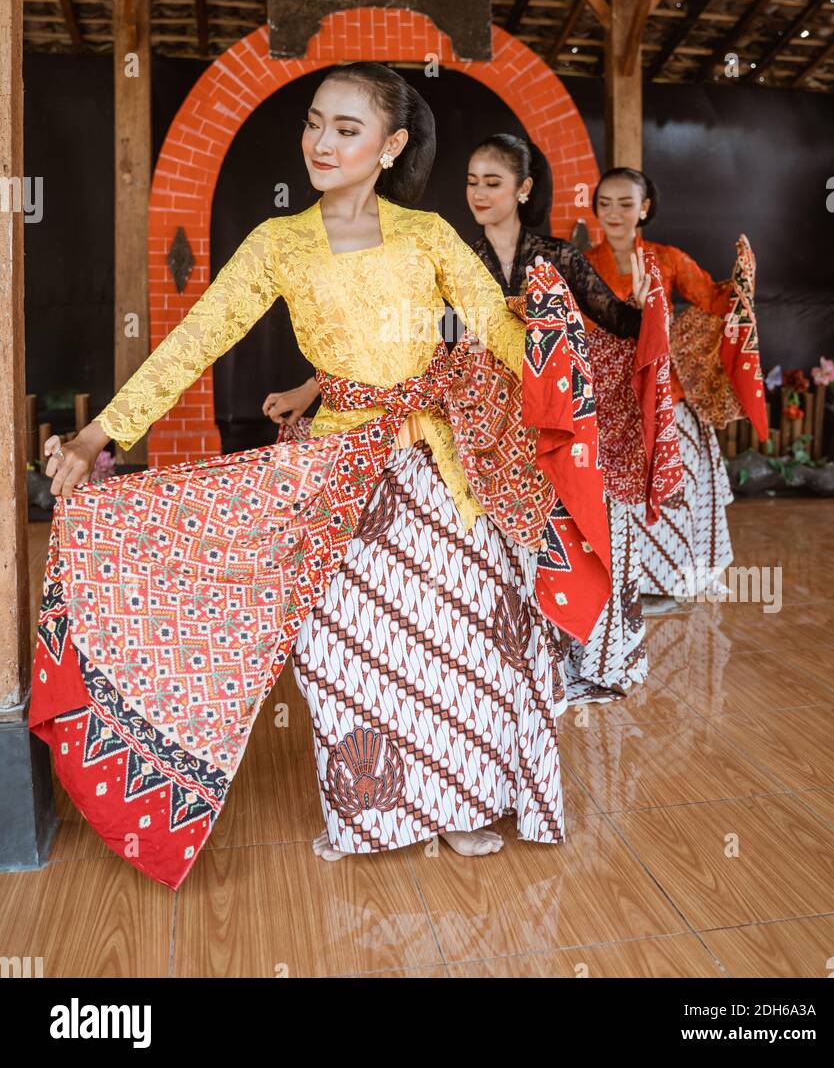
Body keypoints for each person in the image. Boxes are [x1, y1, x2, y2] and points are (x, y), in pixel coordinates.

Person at [33, 64, 599, 889]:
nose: (322, 142)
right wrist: (96, 436)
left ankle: (466, 802)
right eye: (314, 123)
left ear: (391, 146)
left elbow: (505, 339)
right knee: (343, 648)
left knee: (455, 639)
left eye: (346, 128)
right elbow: (192, 344)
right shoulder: (278, 243)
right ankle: (371, 812)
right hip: (334, 471)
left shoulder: (429, 235)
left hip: (431, 462)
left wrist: (569, 359)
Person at [466, 133, 658, 705]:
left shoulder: (557, 256)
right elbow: (432, 339)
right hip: (484, 421)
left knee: (562, 534)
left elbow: (618, 324)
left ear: (523, 190)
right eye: (472, 181)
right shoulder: (457, 257)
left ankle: (574, 658)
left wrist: (644, 310)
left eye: (492, 182)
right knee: (499, 545)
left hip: (553, 418)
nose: (478, 193)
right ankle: (510, 666)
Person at [586, 166, 736, 613]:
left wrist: (742, 284)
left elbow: (712, 300)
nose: (614, 212)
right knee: (617, 493)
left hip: (665, 397)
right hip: (610, 401)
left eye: (625, 203)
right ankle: (623, 584)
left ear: (644, 208)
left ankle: (675, 579)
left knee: (674, 488)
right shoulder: (583, 263)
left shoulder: (666, 259)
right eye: (605, 203)